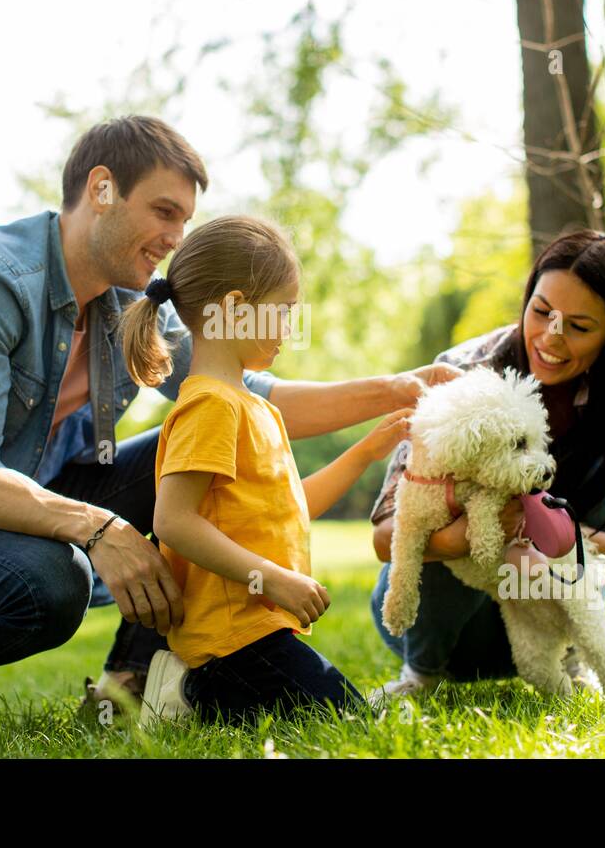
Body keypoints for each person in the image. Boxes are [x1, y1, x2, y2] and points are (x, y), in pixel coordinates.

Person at [0, 115, 459, 722]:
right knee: (52, 580)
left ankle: (130, 686)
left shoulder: (129, 299)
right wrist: (102, 529)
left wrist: (398, 389)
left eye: (185, 220)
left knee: (180, 454)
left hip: (30, 505)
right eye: (164, 211)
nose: (177, 238)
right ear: (101, 189)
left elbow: (248, 396)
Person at [123, 215, 411, 726]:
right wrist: (272, 578)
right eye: (283, 312)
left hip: (260, 630)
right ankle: (190, 689)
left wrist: (364, 452)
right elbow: (173, 520)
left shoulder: (253, 407)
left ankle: (195, 690)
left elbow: (290, 507)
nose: (289, 328)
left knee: (343, 711)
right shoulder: (210, 406)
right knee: (352, 720)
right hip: (234, 639)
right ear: (235, 310)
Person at [368, 229, 605, 700]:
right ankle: (420, 677)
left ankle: (574, 667)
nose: (551, 337)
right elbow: (386, 536)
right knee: (435, 511)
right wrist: (470, 532)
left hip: (550, 623)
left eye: (578, 325)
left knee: (601, 487)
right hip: (449, 633)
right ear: (527, 297)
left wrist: (561, 533)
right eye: (542, 312)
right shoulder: (460, 376)